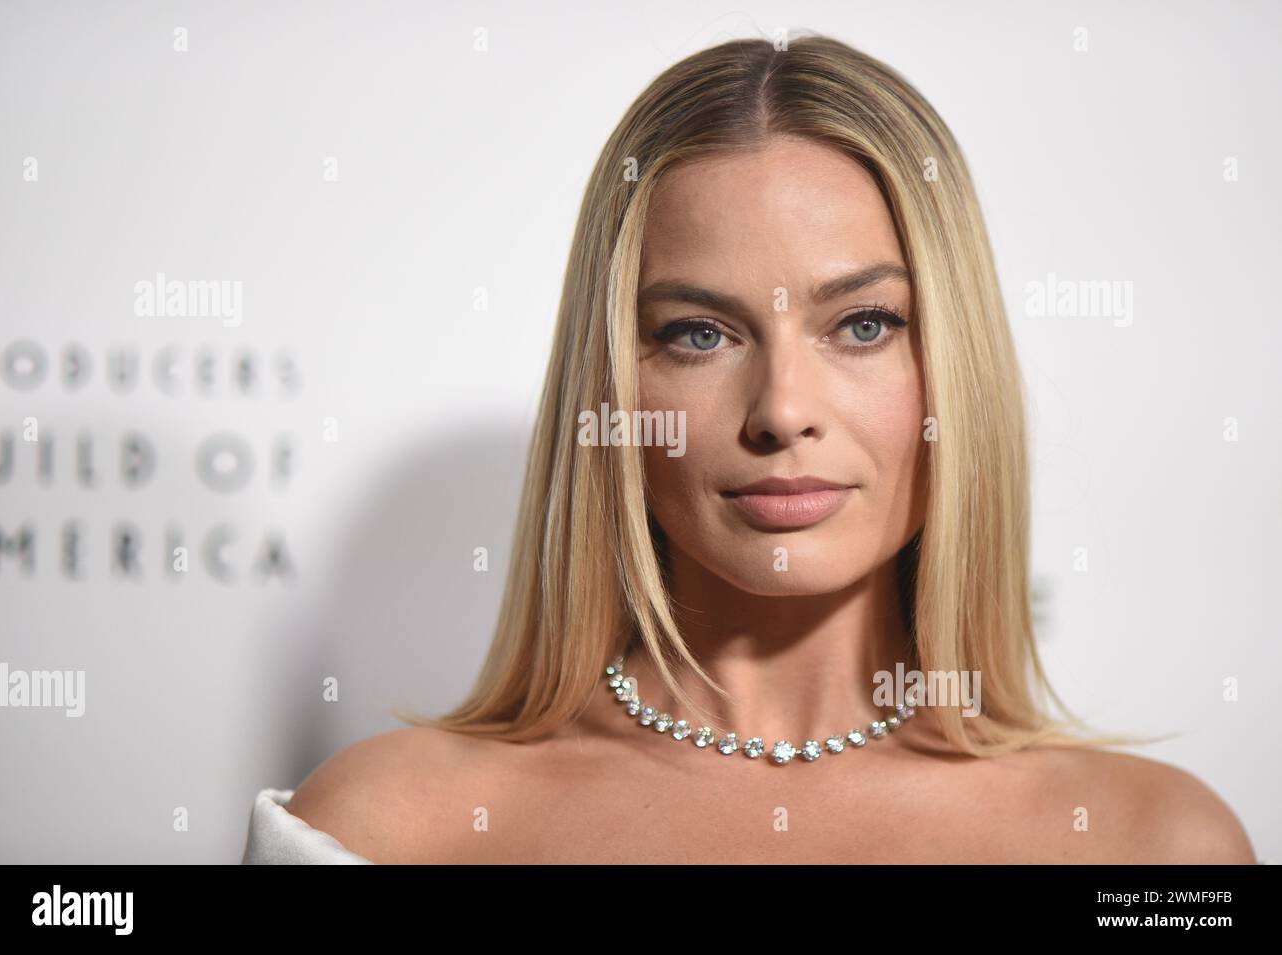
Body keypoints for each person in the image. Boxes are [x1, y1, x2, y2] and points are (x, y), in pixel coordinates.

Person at [242, 33, 1255, 864]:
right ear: (611, 389)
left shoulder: (1151, 848)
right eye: (698, 333)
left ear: (957, 365)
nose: (780, 409)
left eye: (862, 324)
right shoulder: (385, 828)